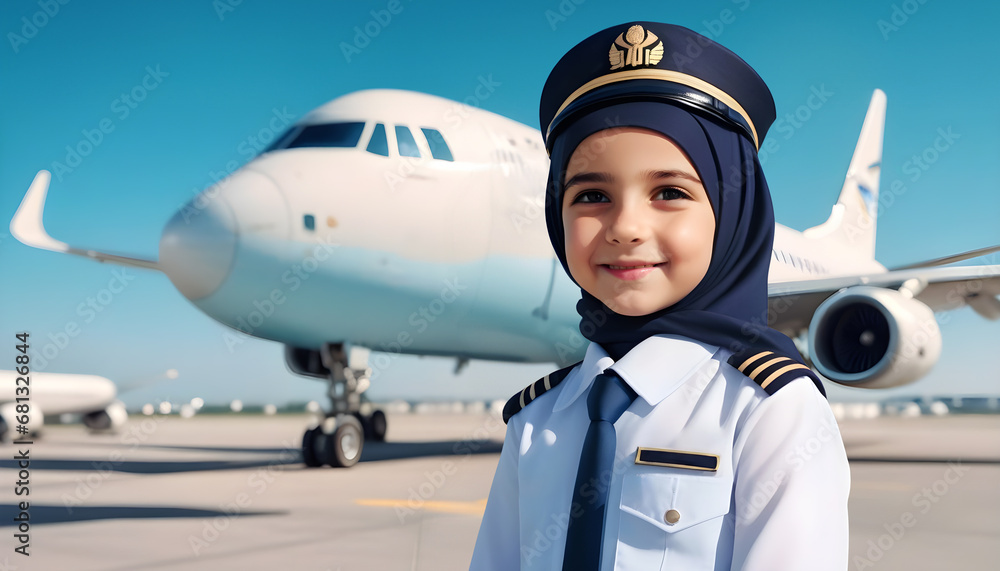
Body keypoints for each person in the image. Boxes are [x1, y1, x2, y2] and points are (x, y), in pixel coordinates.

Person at [469, 21, 850, 570]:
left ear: (734, 215)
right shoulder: (536, 420)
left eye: (669, 192)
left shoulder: (770, 411)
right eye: (592, 195)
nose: (625, 227)